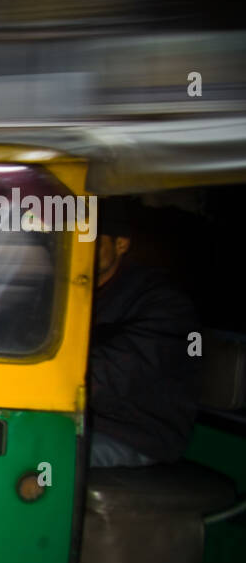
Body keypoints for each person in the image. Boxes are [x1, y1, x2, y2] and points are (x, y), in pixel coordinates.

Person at [87, 200, 200, 467]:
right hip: (81, 421)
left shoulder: (165, 302)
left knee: (31, 462)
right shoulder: (78, 294)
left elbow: (118, 371)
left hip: (135, 433)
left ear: (121, 244)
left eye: (91, 240)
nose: (79, 250)